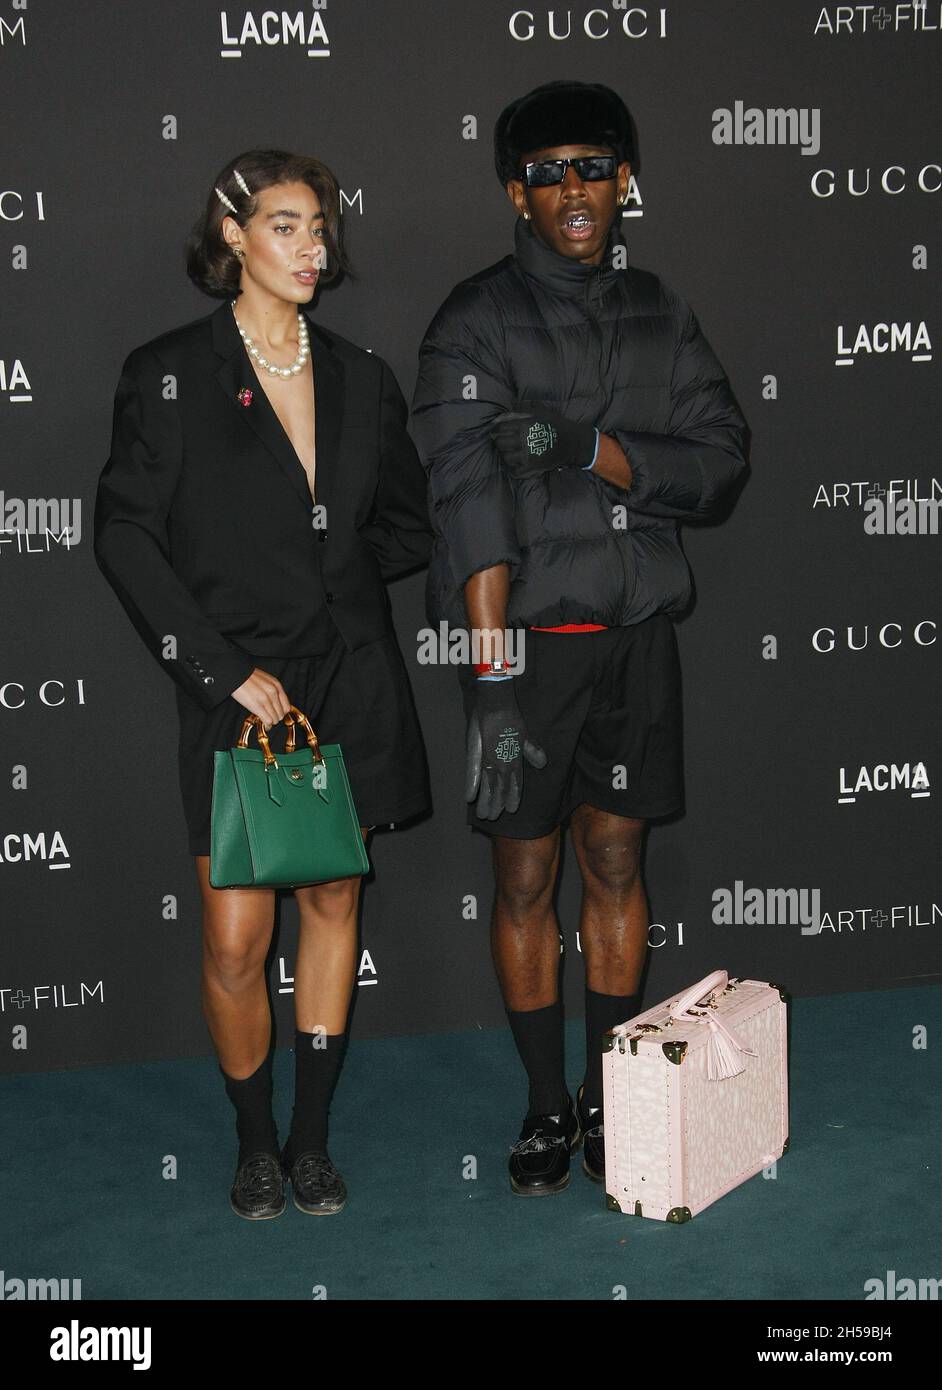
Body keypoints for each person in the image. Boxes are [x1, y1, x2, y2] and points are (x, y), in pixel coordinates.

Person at [411, 82, 748, 1196]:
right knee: (524, 877)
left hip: (636, 632)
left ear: (625, 182)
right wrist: (494, 677)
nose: (574, 191)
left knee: (617, 861)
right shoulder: (472, 320)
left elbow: (718, 464)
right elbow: (466, 501)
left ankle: (608, 1097)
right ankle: (543, 1106)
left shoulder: (664, 310)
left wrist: (593, 447)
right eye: (548, 171)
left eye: (593, 167)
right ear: (515, 190)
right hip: (528, 650)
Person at [94, 149, 432, 1220]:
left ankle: (312, 1139)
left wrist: (325, 585)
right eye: (285, 226)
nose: (313, 247)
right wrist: (223, 665)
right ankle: (253, 1141)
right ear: (232, 235)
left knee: (335, 897)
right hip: (241, 695)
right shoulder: (168, 374)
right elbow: (125, 538)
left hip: (351, 679)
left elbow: (405, 527)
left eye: (321, 226)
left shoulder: (361, 376)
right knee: (236, 939)